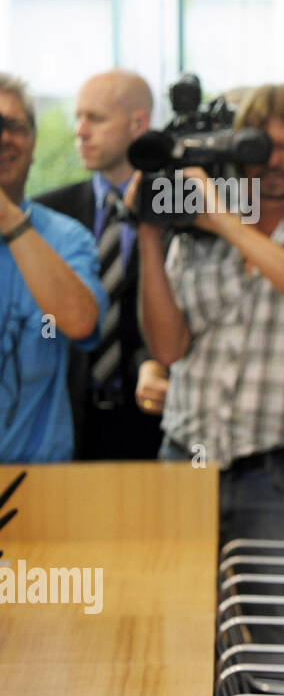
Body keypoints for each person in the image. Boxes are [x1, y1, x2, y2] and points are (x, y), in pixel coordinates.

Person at [135, 83, 284, 642]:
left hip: (278, 474)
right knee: (177, 632)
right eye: (258, 147)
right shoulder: (195, 233)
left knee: (276, 640)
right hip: (185, 462)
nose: (272, 159)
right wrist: (147, 232)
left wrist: (223, 222)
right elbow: (168, 348)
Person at [35, 69, 166, 459]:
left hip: (152, 422)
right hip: (63, 423)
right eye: (78, 117)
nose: (80, 131)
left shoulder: (179, 213)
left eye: (96, 118)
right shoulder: (46, 215)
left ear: (138, 123)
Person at [0, 73, 105, 463]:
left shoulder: (66, 238)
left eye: (14, 127)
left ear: (33, 141)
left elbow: (80, 321)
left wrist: (9, 218)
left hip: (41, 479)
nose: (3, 138)